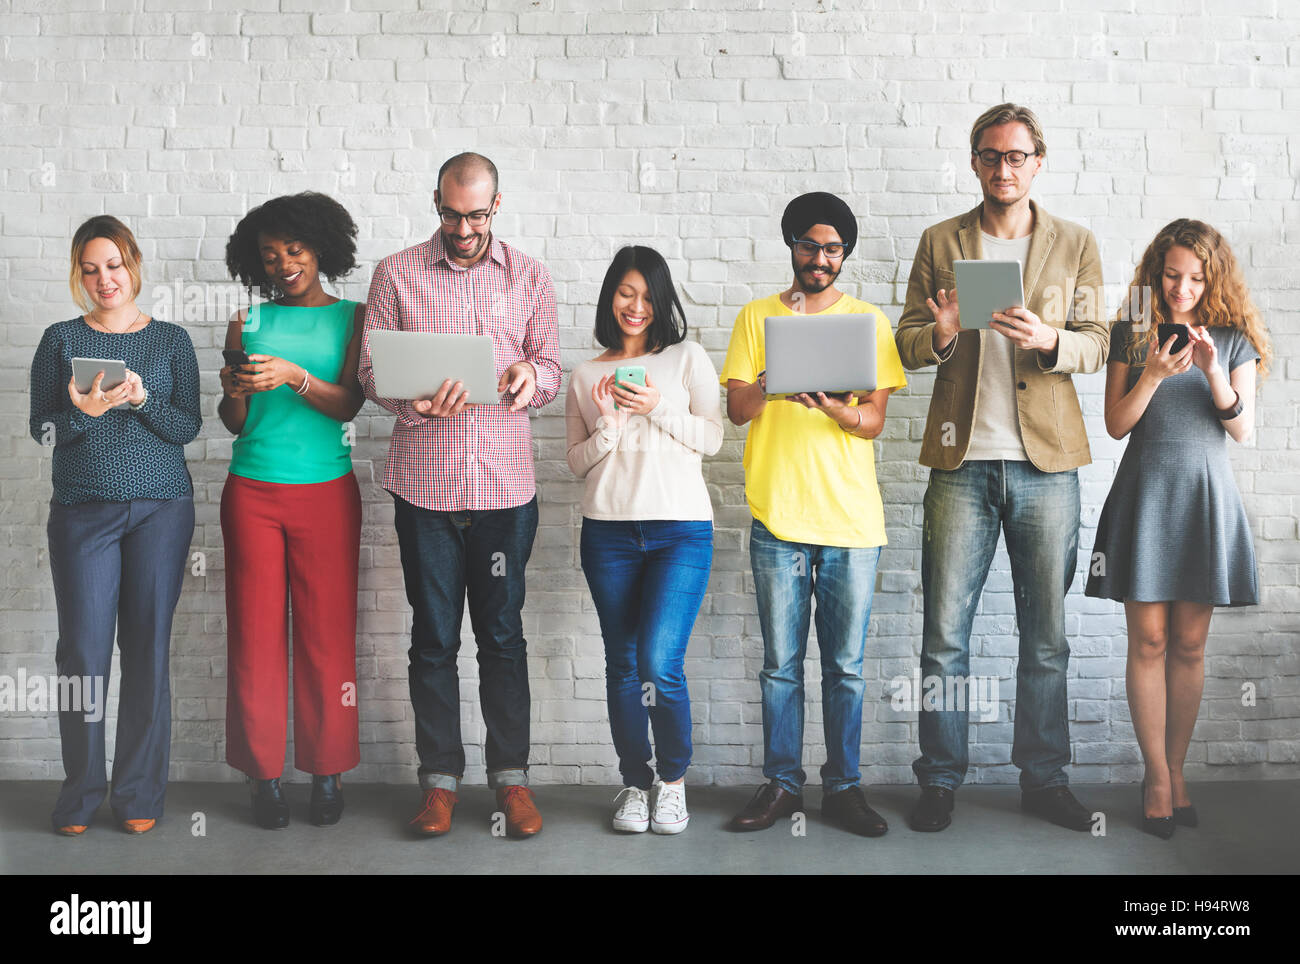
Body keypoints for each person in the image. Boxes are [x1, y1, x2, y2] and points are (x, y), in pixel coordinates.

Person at [895, 103, 1108, 833]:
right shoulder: (940, 240)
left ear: (1037, 162)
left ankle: (1044, 780)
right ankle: (939, 779)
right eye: (991, 155)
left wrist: (1051, 338)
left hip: (1047, 467)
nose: (1003, 168)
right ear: (976, 161)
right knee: (942, 638)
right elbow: (905, 342)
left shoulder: (1075, 243)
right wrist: (944, 335)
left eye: (1017, 156)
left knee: (1045, 635)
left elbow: (1099, 342)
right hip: (961, 464)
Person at [359, 152, 561, 838]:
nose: (464, 227)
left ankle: (512, 782)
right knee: (434, 638)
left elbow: (553, 366)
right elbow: (369, 373)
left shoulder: (530, 276)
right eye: (451, 213)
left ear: (496, 206)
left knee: (502, 638)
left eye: (476, 215)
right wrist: (413, 402)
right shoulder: (396, 272)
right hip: (425, 490)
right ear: (436, 203)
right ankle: (439, 783)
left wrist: (531, 377)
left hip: (504, 489)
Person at [721, 192, 907, 837]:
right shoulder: (756, 318)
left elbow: (874, 421)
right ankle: (781, 784)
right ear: (791, 247)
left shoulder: (869, 324)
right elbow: (737, 409)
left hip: (851, 523)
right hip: (778, 519)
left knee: (846, 668)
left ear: (844, 254)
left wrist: (833, 407)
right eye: (808, 245)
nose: (819, 258)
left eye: (831, 248)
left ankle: (845, 789)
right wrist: (773, 379)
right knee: (779, 665)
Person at [1085, 219, 1271, 838]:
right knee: (1150, 642)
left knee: (1190, 646)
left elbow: (1242, 431)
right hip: (1147, 497)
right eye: (1172, 275)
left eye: (1195, 277)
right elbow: (1116, 424)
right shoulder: (1131, 332)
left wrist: (1215, 371)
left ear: (1211, 278)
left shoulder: (1235, 338)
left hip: (1205, 501)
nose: (1182, 288)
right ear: (1156, 272)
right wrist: (1156, 374)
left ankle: (1177, 770)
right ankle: (1157, 778)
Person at [29, 215, 200, 836]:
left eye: (115, 264)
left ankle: (137, 794)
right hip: (82, 514)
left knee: (148, 650)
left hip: (161, 510)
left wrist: (141, 399)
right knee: (83, 654)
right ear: (79, 274)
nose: (105, 278)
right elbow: (41, 430)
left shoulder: (172, 341)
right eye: (91, 268)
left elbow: (188, 429)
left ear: (133, 264)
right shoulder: (58, 340)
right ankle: (79, 794)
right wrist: (81, 413)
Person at [219, 192, 366, 829]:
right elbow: (235, 424)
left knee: (326, 635)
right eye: (270, 255)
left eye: (296, 249)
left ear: (322, 249)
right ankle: (263, 777)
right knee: (254, 636)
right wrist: (233, 393)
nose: (284, 263)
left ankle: (326, 773)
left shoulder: (354, 317)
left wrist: (293, 375)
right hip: (251, 491)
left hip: (327, 492)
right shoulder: (244, 321)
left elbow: (350, 405)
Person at [566, 246, 723, 834]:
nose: (636, 306)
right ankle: (634, 783)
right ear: (611, 297)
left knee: (660, 663)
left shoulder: (686, 359)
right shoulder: (584, 375)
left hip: (680, 531)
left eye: (647, 295)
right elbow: (576, 464)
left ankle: (672, 784)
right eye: (626, 293)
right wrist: (609, 425)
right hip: (607, 534)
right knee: (623, 667)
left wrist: (656, 408)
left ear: (662, 303)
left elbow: (712, 439)